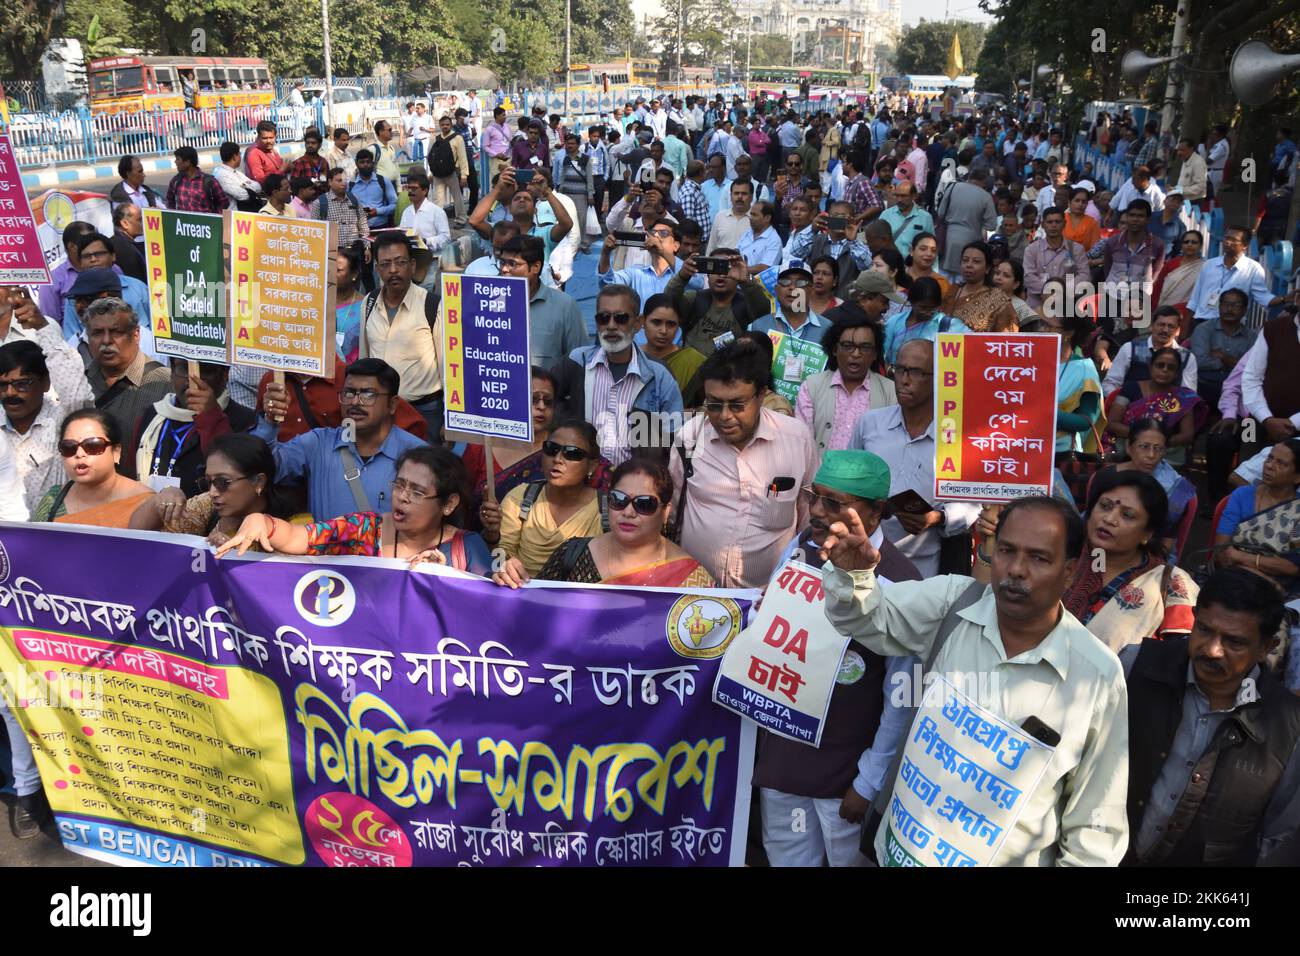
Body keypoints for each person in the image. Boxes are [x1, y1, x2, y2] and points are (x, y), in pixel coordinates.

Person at [820, 495, 1130, 866]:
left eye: (1038, 558)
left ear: (1070, 570)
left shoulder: (1096, 676)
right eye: (1006, 550)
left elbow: (1095, 831)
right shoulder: (953, 602)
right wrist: (853, 577)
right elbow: (864, 618)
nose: (1015, 569)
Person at [758, 450, 921, 868]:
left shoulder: (903, 584)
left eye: (834, 503)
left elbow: (901, 697)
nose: (816, 510)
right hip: (783, 762)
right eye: (816, 496)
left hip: (846, 777)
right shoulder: (800, 548)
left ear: (875, 512)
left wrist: (869, 781)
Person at [1120, 567, 1300, 866]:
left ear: (1266, 648)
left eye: (1234, 642)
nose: (1213, 650)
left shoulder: (1290, 729)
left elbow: (1278, 839)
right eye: (1204, 630)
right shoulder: (1135, 665)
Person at [669, 341, 816, 588]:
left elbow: (809, 514)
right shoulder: (690, 439)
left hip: (768, 598)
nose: (725, 416)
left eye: (737, 405)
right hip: (696, 595)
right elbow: (673, 511)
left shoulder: (797, 440)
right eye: (714, 405)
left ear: (761, 395)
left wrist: (796, 578)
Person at [217, 444, 491, 574]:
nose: (403, 498)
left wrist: (505, 576)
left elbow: (488, 605)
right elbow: (300, 538)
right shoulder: (364, 529)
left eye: (417, 492)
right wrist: (261, 522)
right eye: (400, 485)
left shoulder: (466, 548)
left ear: (449, 504)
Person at [849, 338, 979, 576]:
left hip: (923, 571)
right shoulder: (870, 424)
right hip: (863, 560)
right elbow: (849, 482)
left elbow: (972, 504)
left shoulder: (957, 437)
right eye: (899, 369)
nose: (904, 380)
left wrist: (938, 518)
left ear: (939, 379)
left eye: (915, 372)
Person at [1036, 469, 1198, 651]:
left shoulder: (1170, 584)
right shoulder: (1057, 556)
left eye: (1127, 515)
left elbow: (1183, 655)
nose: (1109, 519)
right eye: (1104, 506)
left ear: (1148, 533)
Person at [494, 457, 714, 589]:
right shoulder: (572, 553)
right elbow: (533, 608)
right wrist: (511, 580)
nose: (628, 512)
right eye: (619, 500)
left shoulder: (691, 579)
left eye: (644, 504)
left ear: (665, 511)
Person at [252, 359, 425, 522]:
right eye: (349, 393)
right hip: (325, 554)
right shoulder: (318, 444)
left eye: (368, 394)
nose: (356, 402)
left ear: (392, 404)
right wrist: (270, 421)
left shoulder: (418, 456)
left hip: (390, 554)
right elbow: (261, 466)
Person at [552, 284, 683, 466]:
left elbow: (674, 436)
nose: (611, 326)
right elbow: (545, 403)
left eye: (620, 318)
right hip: (583, 482)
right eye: (603, 318)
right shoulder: (576, 362)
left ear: (638, 323)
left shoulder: (659, 376)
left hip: (634, 484)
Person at [482, 420, 607, 577]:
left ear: (592, 466)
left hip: (579, 599)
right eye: (551, 449)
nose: (557, 459)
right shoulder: (519, 497)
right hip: (523, 593)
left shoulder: (608, 509)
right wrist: (493, 536)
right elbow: (500, 559)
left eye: (572, 453)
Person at [123, 356, 255, 498]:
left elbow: (233, 477)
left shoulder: (245, 421)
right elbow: (130, 475)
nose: (193, 380)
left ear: (225, 375)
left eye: (206, 370)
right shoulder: (151, 415)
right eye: (184, 368)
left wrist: (210, 416)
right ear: (172, 372)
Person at [32, 408, 155, 524]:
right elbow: (34, 544)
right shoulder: (53, 500)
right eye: (69, 447)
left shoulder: (145, 503)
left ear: (116, 452)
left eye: (92, 446)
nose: (79, 454)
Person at [795, 316, 895, 458]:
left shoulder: (891, 392)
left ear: (875, 354)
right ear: (835, 349)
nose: (855, 354)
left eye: (865, 348)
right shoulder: (811, 387)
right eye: (848, 346)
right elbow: (802, 442)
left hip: (868, 477)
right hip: (820, 477)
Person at [1215, 440, 1300, 597]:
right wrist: (1265, 578)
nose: (1269, 466)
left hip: (1285, 592)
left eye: (1281, 464)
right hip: (1235, 579)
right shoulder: (1241, 496)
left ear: (1297, 477)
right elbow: (1221, 552)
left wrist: (1241, 556)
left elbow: (1294, 567)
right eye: (1269, 458)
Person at [80, 297, 170, 444]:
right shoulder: (80, 381)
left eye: (116, 332)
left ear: (136, 335)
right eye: (97, 333)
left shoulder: (165, 383)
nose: (106, 340)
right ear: (88, 337)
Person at [495, 235, 587, 375]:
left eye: (512, 264)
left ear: (535, 267)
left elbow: (579, 362)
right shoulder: (490, 304)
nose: (504, 269)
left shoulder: (565, 306)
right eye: (502, 263)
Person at [1106, 346, 1207, 464]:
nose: (1165, 370)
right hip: (1130, 452)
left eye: (1171, 368)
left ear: (1176, 373)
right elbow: (1112, 424)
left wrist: (1158, 443)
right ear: (1150, 367)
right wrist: (1144, 439)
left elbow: (1187, 435)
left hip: (1168, 453)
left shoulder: (1184, 397)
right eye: (1160, 365)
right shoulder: (1130, 388)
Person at [664, 251, 771, 358]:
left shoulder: (747, 303)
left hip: (728, 371)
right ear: (707, 275)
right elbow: (667, 302)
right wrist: (682, 276)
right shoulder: (694, 299)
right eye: (715, 267)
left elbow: (763, 311)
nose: (721, 274)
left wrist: (747, 281)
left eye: (727, 268)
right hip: (691, 369)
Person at [1186, 226, 1295, 324]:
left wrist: (1284, 299)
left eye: (1233, 240)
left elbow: (1263, 298)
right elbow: (1194, 300)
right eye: (1226, 238)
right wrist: (1185, 329)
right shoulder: (1209, 265)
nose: (1227, 242)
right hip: (1201, 322)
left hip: (1230, 326)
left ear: (1245, 246)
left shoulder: (1253, 268)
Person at [1187, 288, 1258, 414]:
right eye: (1225, 304)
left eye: (1236, 305)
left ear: (1244, 311)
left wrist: (1224, 358)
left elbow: (1252, 368)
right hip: (1205, 385)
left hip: (1237, 388)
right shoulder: (1203, 329)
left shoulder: (1251, 337)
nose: (1229, 309)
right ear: (1219, 307)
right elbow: (1199, 361)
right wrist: (1235, 363)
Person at [1101, 307, 1198, 394]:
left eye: (1170, 326)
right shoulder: (1130, 349)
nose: (1165, 330)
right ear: (1151, 326)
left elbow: (1188, 394)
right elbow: (1110, 384)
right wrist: (1121, 401)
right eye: (1161, 324)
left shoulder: (1187, 358)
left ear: (1178, 331)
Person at [882, 277, 968, 367]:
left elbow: (973, 342)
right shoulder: (895, 322)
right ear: (911, 302)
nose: (927, 312)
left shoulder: (947, 325)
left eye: (933, 308)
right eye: (923, 308)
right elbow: (883, 354)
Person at [640, 294, 705, 407]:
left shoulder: (693, 361)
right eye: (656, 322)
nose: (664, 331)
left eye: (671, 324)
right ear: (642, 322)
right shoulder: (631, 357)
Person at [940, 240, 1019, 333]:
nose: (969, 265)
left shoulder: (998, 299)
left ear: (988, 268)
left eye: (976, 261)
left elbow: (1008, 337)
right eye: (965, 260)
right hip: (947, 346)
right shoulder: (953, 290)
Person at [1023, 206, 1090, 309]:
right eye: (1049, 222)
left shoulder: (1076, 249)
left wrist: (1061, 291)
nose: (1054, 225)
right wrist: (1048, 291)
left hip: (1067, 304)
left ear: (1064, 224)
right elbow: (1028, 277)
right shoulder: (1031, 250)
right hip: (1037, 304)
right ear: (1043, 225)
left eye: (1057, 222)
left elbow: (1085, 275)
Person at [937, 167, 998, 277]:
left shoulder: (953, 187)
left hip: (947, 239)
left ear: (969, 177)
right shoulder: (986, 197)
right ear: (984, 181)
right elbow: (991, 225)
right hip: (971, 240)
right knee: (965, 276)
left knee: (944, 277)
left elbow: (941, 212)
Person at [749, 266, 830, 343]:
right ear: (776, 289)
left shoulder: (828, 329)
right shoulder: (756, 327)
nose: (792, 287)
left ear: (811, 290)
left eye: (800, 282)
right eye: (785, 281)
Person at [427, 113, 469, 225]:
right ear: (439, 126)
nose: (445, 126)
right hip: (438, 174)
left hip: (452, 173)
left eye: (447, 124)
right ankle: (438, 222)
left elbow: (462, 157)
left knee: (457, 198)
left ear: (451, 125)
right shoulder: (435, 139)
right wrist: (431, 173)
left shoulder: (457, 138)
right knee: (438, 199)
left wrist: (464, 175)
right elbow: (432, 157)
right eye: (443, 125)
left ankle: (461, 219)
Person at [317, 167, 369, 251]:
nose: (343, 183)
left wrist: (367, 247)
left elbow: (362, 223)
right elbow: (316, 230)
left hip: (355, 248)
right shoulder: (320, 202)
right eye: (339, 180)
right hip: (332, 250)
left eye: (345, 180)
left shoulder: (353, 198)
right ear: (330, 182)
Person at [877, 180, 933, 257]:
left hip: (914, 266)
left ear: (914, 196)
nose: (899, 199)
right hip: (891, 265)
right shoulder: (886, 215)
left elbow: (931, 246)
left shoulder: (925, 217)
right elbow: (877, 241)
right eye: (897, 195)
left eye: (903, 196)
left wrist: (933, 268)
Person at [164, 146, 227, 214]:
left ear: (187, 162)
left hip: (205, 223)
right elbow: (170, 200)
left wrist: (214, 218)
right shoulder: (176, 181)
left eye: (178, 159)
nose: (175, 162)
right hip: (182, 223)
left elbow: (223, 202)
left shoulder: (209, 181)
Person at [349, 148, 397, 230]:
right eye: (362, 162)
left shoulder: (383, 181)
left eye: (368, 162)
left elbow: (394, 205)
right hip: (359, 229)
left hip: (381, 227)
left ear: (373, 163)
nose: (365, 165)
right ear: (356, 164)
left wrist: (378, 211)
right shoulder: (350, 185)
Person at [707, 179, 755, 255]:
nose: (739, 197)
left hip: (746, 266)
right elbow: (711, 247)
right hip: (721, 265)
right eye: (736, 193)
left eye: (744, 194)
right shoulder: (720, 217)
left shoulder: (756, 219)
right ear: (730, 196)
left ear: (751, 197)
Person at [992, 259, 1037, 327]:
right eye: (997, 273)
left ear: (1015, 284)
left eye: (1006, 276)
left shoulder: (1021, 309)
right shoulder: (982, 300)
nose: (999, 278)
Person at [109, 203, 147, 283]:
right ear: (125, 223)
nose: (144, 223)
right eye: (140, 220)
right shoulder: (126, 249)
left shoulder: (114, 241)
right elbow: (135, 282)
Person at [903, 233, 949, 297]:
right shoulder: (899, 275)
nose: (929, 254)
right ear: (911, 251)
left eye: (933, 250)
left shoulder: (941, 282)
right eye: (923, 249)